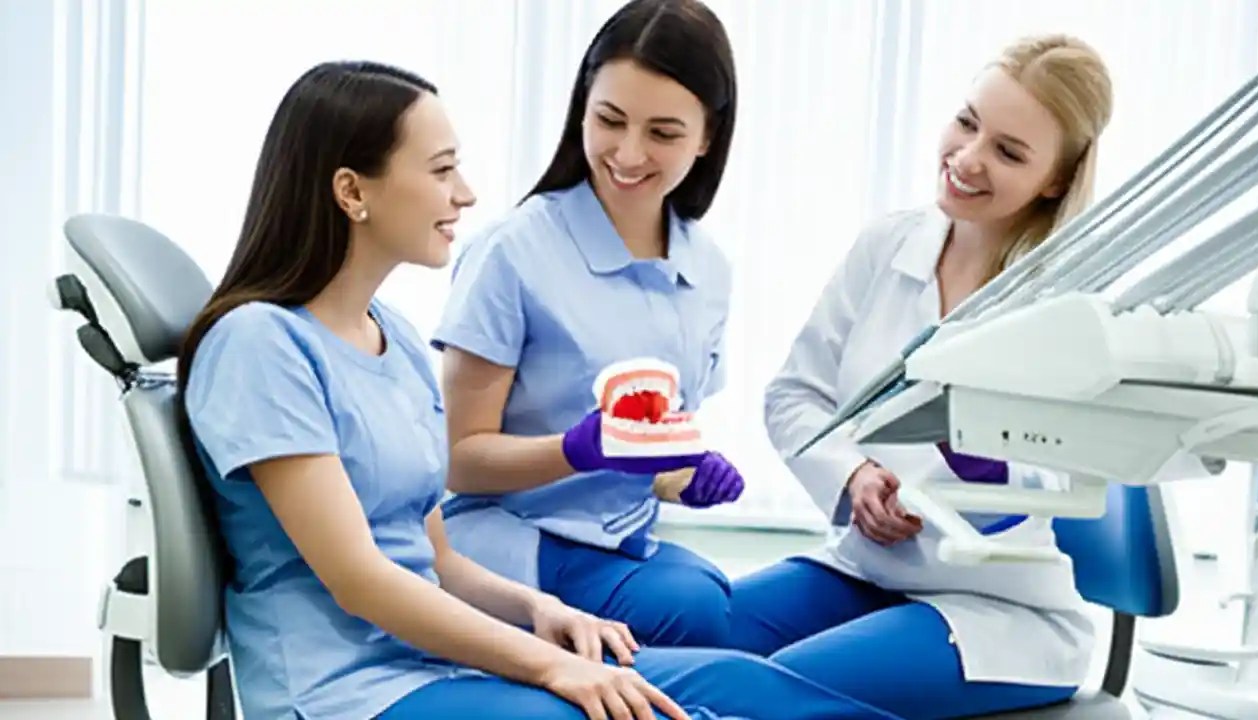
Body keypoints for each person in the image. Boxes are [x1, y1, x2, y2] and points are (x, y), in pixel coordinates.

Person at [177, 60, 903, 720]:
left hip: (439, 661)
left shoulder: (392, 338)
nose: (464, 194)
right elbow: (362, 581)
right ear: (350, 190)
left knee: (753, 690)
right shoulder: (259, 346)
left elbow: (439, 560)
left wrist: (543, 611)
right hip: (347, 691)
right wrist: (549, 665)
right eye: (441, 170)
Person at [725, 35, 1116, 719]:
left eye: (1009, 151)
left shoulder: (1067, 305)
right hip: (868, 571)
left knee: (767, 695)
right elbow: (796, 394)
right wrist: (853, 475)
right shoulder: (888, 246)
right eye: (968, 123)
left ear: (1054, 179)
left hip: (999, 613)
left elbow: (1058, 479)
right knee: (692, 636)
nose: (967, 159)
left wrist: (962, 472)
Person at [430, 0, 744, 649]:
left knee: (723, 607)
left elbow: (645, 464)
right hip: (507, 541)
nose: (628, 153)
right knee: (699, 611)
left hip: (621, 538)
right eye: (609, 120)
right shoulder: (512, 253)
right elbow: (457, 462)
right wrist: (573, 450)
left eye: (662, 133)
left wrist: (688, 477)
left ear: (707, 137)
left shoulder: (706, 270)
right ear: (581, 110)